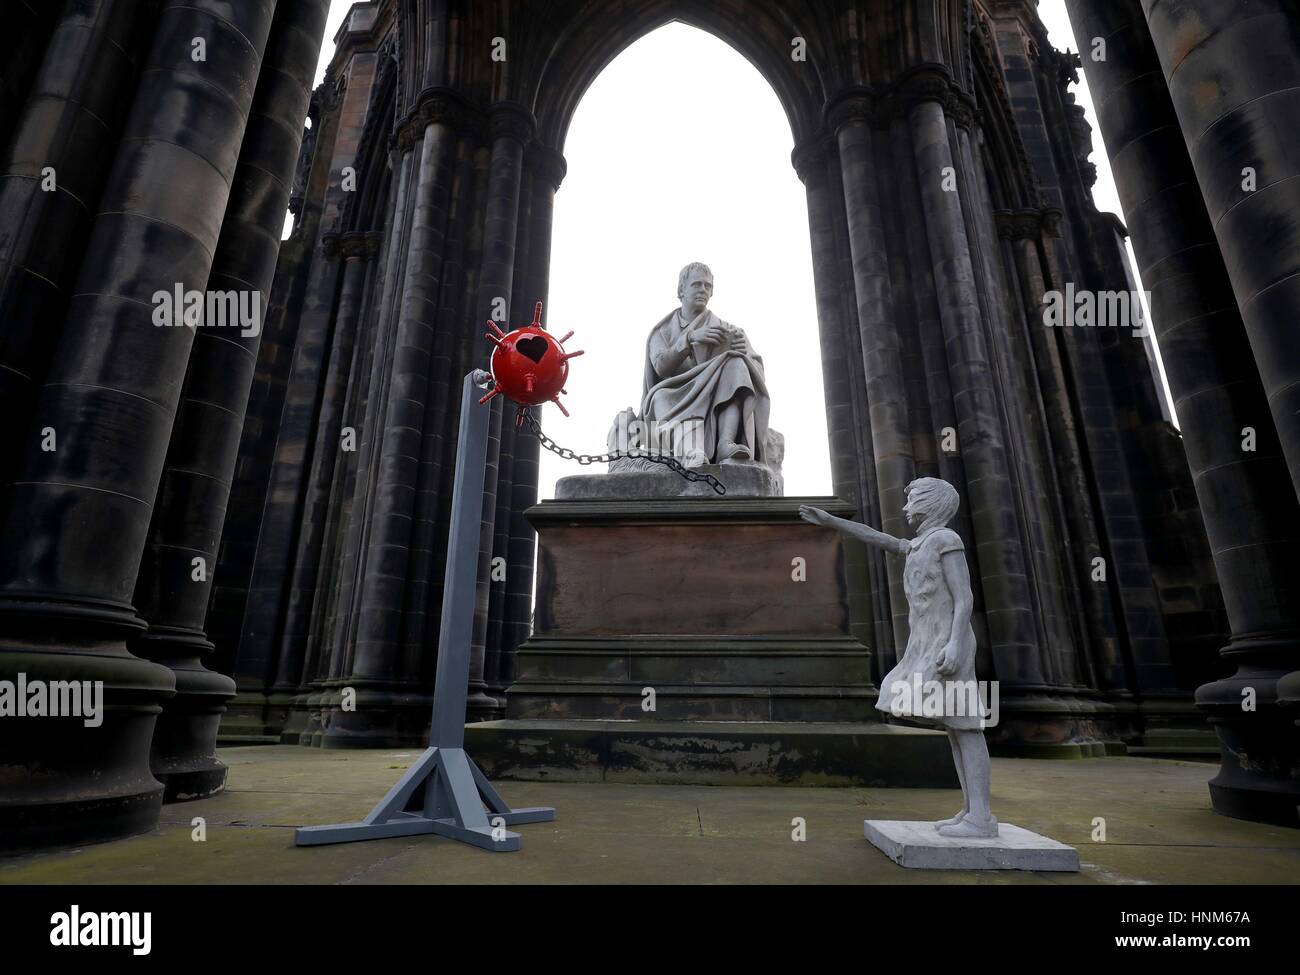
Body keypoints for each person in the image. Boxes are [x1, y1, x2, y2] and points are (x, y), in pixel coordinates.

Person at [799, 478, 998, 838]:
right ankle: (972, 810)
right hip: (926, 639)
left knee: (967, 727)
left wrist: (954, 644)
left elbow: (964, 598)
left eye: (912, 498)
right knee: (955, 727)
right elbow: (876, 537)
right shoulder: (919, 543)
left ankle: (981, 817)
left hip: (947, 640)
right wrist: (831, 521)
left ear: (930, 502)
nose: (906, 505)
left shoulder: (946, 540)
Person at [641, 262, 770, 466]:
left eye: (707, 286)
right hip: (675, 393)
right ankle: (689, 449)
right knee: (658, 398)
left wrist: (744, 352)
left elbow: (758, 377)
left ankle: (725, 442)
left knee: (737, 364)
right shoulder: (662, 331)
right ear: (681, 290)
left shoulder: (727, 328)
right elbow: (661, 366)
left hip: (714, 394)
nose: (703, 290)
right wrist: (689, 339)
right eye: (696, 284)